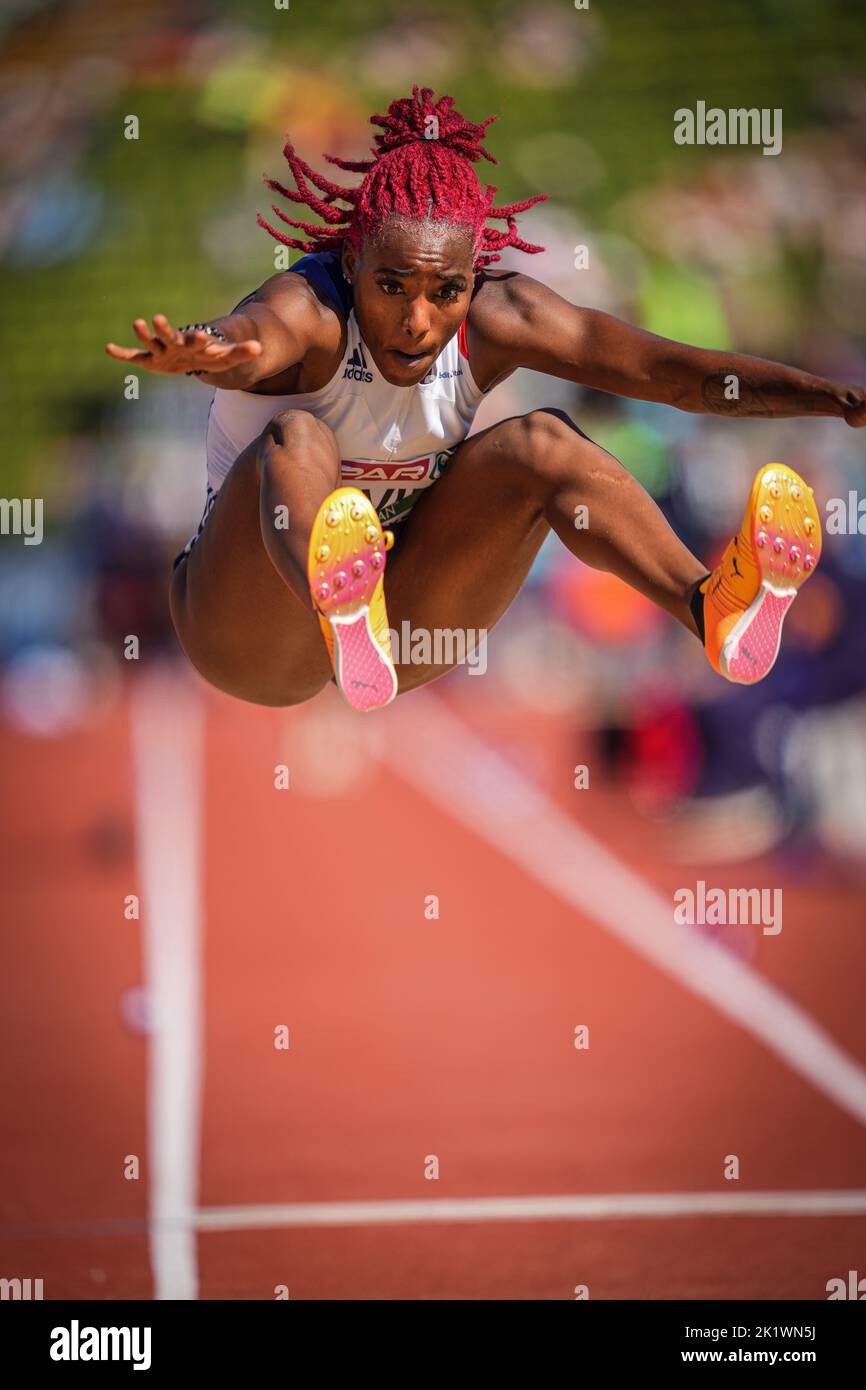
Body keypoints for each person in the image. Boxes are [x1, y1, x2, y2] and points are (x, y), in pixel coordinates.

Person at [105, 85, 864, 712]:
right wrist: (212, 348)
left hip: (395, 632)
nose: (417, 320)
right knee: (299, 437)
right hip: (244, 630)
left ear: (474, 277)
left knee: (542, 443)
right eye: (391, 285)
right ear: (352, 259)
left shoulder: (502, 319)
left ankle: (711, 608)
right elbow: (257, 336)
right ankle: (335, 596)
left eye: (446, 291)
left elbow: (672, 373)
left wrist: (837, 398)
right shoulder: (311, 310)